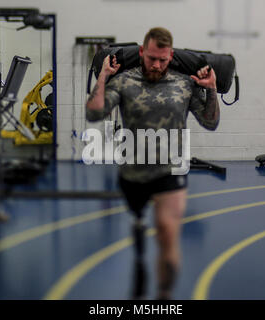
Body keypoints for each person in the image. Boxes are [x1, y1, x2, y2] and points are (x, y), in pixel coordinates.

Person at [86, 27, 220, 299]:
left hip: (170, 171)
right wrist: (103, 76)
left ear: (170, 56)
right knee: (139, 221)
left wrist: (212, 89)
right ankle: (138, 236)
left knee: (167, 234)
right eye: (151, 59)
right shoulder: (123, 82)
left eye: (162, 59)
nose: (156, 65)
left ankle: (163, 297)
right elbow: (95, 113)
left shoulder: (184, 84)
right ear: (141, 53)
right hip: (132, 172)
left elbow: (210, 122)